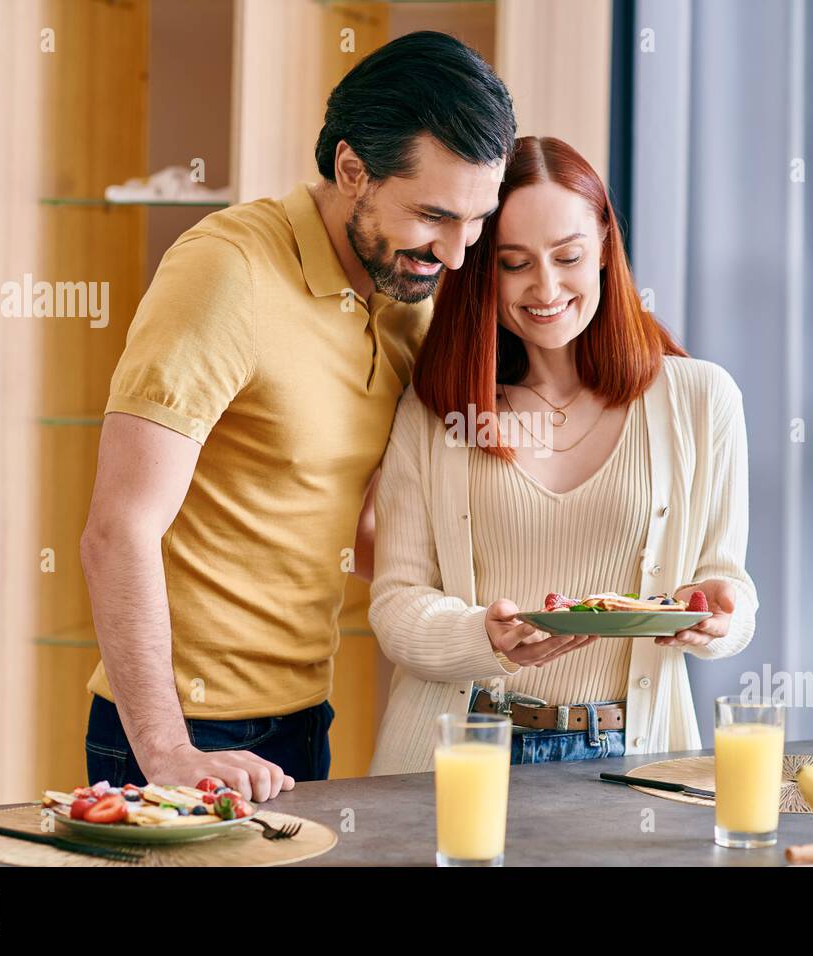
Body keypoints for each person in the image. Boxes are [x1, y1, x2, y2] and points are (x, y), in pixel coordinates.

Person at [78, 32, 516, 800]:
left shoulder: (404, 296)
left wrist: (509, 616)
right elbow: (118, 530)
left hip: (304, 718)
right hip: (182, 730)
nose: (454, 254)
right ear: (352, 170)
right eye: (433, 216)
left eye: (476, 222)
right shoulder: (227, 272)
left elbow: (356, 523)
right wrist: (168, 751)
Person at [368, 136, 758, 774]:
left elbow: (728, 584)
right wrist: (483, 638)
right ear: (482, 268)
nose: (545, 287)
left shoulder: (700, 399)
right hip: (461, 754)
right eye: (514, 263)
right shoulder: (436, 409)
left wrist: (721, 618)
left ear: (603, 245)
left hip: (634, 758)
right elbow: (397, 604)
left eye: (567, 256)